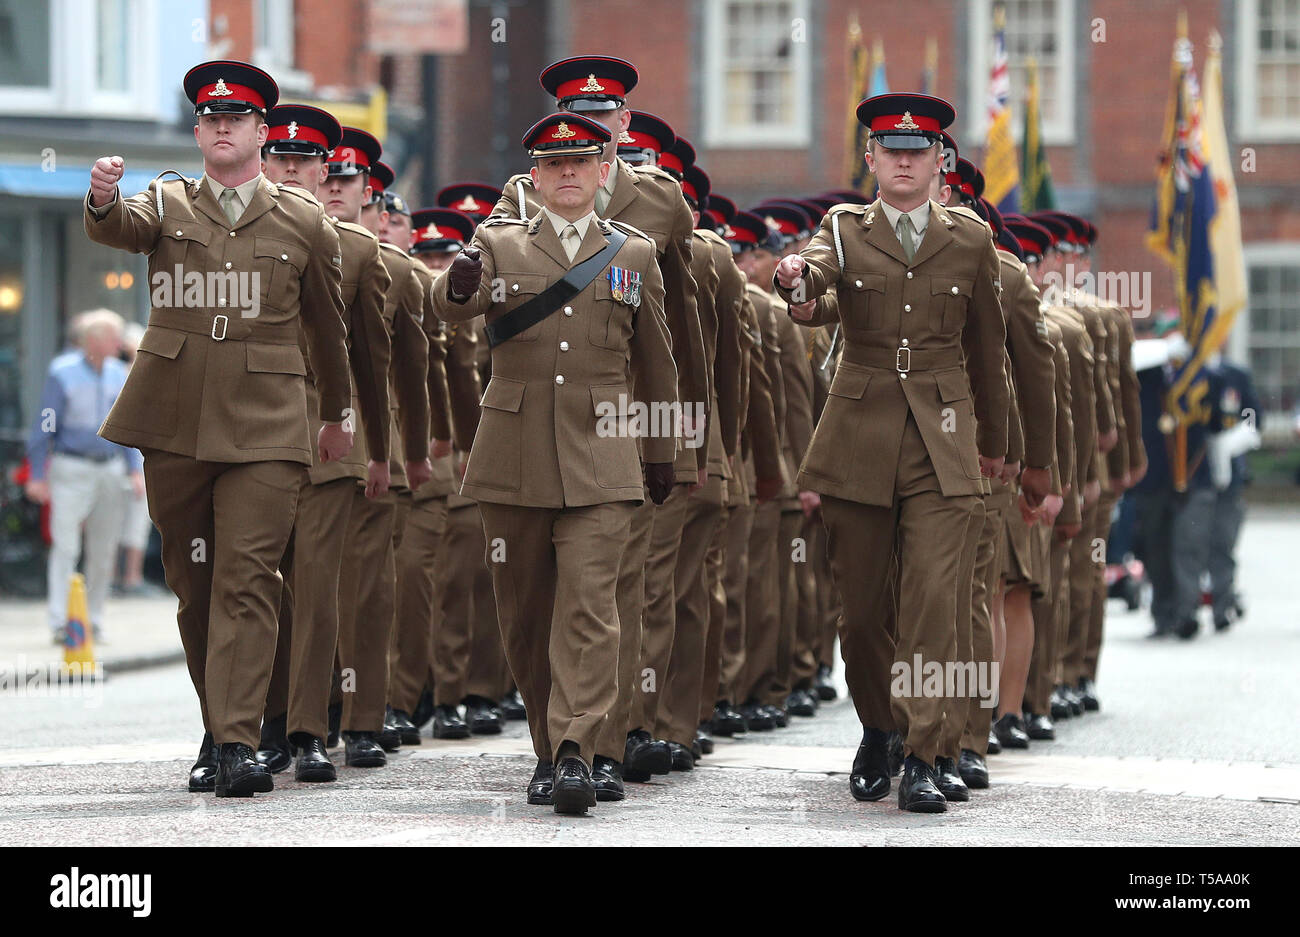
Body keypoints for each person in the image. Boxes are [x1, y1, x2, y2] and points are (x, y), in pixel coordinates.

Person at [84, 59, 353, 797]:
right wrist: (103, 197)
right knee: (194, 583)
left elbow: (329, 333)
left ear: (261, 133)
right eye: (209, 119)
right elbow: (122, 228)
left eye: (236, 118)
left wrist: (337, 415)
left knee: (246, 576)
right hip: (173, 418)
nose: (221, 126)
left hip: (268, 425)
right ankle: (222, 719)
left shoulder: (304, 220)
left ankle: (238, 743)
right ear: (198, 132)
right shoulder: (167, 202)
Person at [434, 112, 678, 815]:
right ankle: (548, 746)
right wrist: (455, 283)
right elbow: (455, 308)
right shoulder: (497, 242)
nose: (568, 175)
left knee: (592, 608)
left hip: (604, 456)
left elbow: (656, 364)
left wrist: (662, 450)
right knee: (525, 612)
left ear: (604, 172)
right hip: (513, 455)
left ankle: (578, 748)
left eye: (582, 163)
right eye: (554, 165)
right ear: (535, 177)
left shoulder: (633, 253)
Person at [775, 92, 1009, 813]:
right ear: (870, 159)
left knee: (936, 603)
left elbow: (988, 346)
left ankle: (925, 752)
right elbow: (813, 272)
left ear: (941, 162)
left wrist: (999, 448)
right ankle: (880, 724)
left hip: (943, 442)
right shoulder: (844, 229)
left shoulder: (969, 239)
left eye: (919, 151)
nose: (904, 161)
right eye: (890, 150)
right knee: (862, 609)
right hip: (858, 439)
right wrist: (794, 280)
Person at [254, 103, 393, 783]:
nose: (296, 172)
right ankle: (259, 722)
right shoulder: (241, 236)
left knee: (315, 590)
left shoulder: (359, 249)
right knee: (253, 586)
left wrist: (382, 449)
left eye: (305, 163)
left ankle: (309, 729)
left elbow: (374, 363)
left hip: (327, 443)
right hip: (253, 434)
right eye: (280, 159)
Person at [26, 309, 143, 643]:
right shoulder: (62, 373)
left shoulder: (119, 374)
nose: (119, 343)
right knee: (66, 545)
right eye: (112, 336)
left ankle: (94, 620)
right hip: (71, 467)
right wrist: (37, 473)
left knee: (103, 548)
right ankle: (60, 622)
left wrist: (135, 470)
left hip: (110, 468)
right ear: (93, 340)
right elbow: (45, 422)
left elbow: (128, 425)